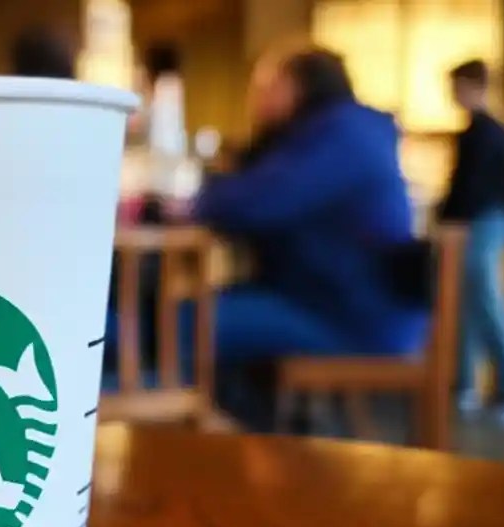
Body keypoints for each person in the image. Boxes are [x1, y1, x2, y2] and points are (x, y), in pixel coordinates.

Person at [166, 47, 424, 426]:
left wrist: (196, 203)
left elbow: (260, 200)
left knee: (178, 323)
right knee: (196, 315)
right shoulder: (342, 129)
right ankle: (246, 443)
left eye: (267, 85)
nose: (256, 97)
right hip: (336, 302)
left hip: (352, 318)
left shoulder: (340, 135)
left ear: (296, 87)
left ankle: (208, 448)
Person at [439, 60, 504, 419]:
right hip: (487, 223)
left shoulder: (485, 133)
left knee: (486, 302)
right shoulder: (495, 131)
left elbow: (470, 187)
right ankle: (469, 383)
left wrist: (450, 219)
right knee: (471, 303)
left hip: (481, 224)